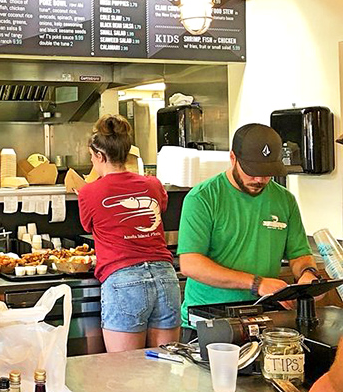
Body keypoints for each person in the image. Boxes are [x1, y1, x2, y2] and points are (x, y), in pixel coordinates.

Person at [178, 123, 319, 330]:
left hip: (263, 316)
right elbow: (191, 264)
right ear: (233, 158)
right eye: (252, 171)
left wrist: (308, 274)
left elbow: (299, 254)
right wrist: (256, 283)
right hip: (209, 318)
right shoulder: (203, 198)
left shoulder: (284, 200)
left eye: (267, 172)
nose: (260, 179)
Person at [78, 115, 180, 352]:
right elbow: (160, 207)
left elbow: (88, 226)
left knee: (124, 372)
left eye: (92, 156)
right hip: (166, 277)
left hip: (124, 279)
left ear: (100, 156)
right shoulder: (153, 184)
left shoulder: (89, 192)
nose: (92, 161)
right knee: (167, 368)